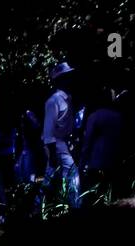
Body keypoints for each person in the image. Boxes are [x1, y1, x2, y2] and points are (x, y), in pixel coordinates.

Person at [43, 62, 80, 209]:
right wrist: (52, 153)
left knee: (54, 177)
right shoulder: (54, 101)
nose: (70, 79)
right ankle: (75, 206)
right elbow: (48, 131)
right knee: (72, 174)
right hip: (56, 144)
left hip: (63, 143)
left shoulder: (67, 98)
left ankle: (43, 206)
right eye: (67, 76)